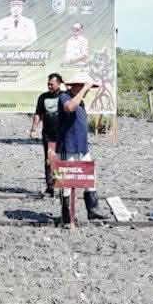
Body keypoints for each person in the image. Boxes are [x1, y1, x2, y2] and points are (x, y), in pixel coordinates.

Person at [52, 77, 104, 223]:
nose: (86, 92)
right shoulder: (64, 96)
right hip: (67, 147)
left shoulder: (80, 101)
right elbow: (69, 107)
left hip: (81, 147)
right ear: (75, 86)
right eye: (83, 88)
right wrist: (84, 89)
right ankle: (67, 215)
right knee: (66, 182)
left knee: (91, 177)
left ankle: (93, 210)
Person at [28, 73, 65, 195]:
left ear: (59, 84)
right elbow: (38, 114)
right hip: (48, 134)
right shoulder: (43, 97)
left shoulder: (65, 96)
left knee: (61, 159)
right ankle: (50, 187)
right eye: (48, 84)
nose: (49, 86)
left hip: (63, 134)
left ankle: (62, 185)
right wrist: (34, 129)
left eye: (52, 84)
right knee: (49, 160)